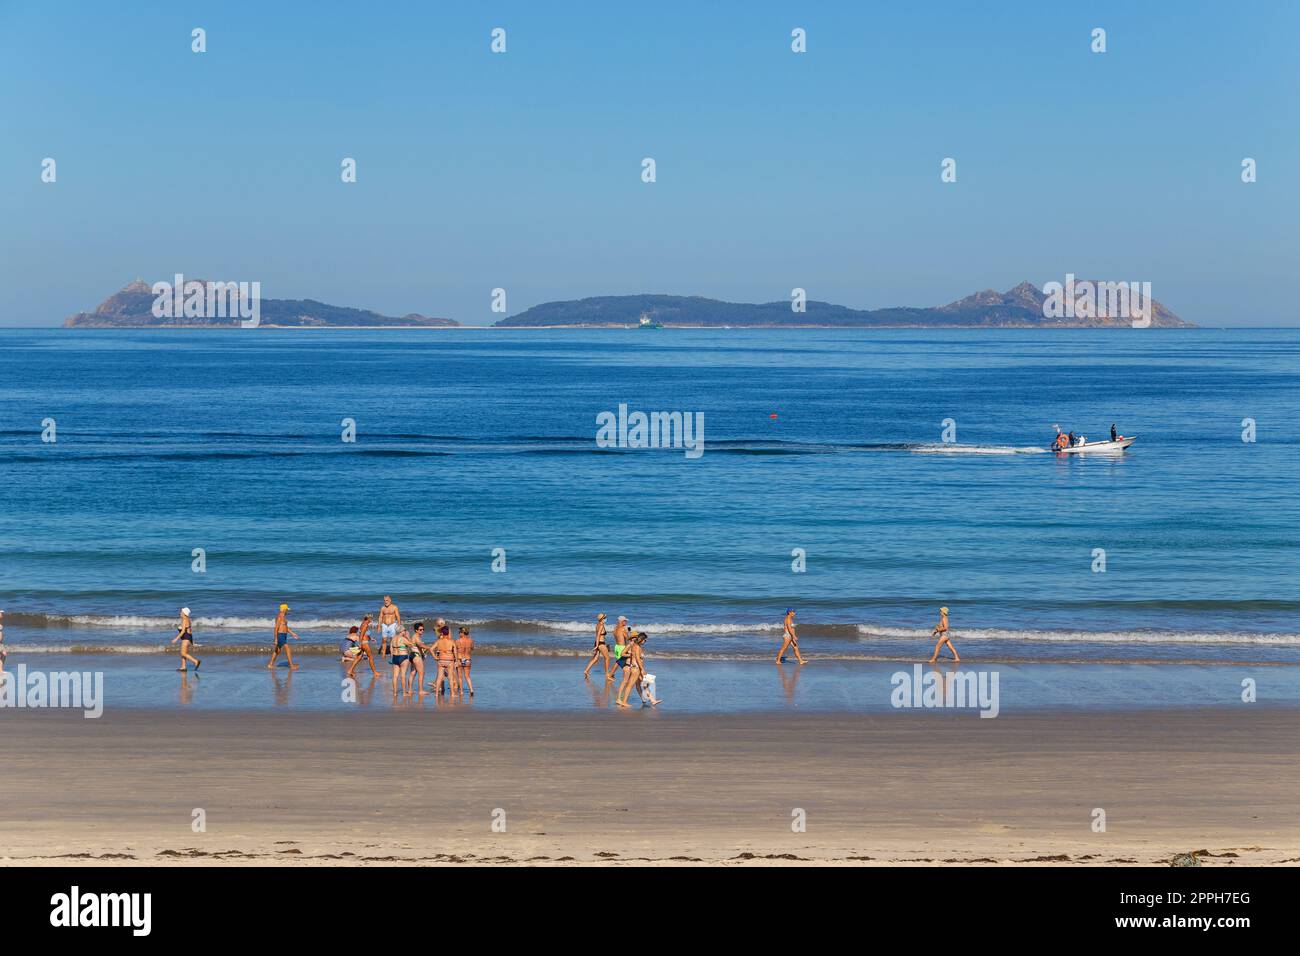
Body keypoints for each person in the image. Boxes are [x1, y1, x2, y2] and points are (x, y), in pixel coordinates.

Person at [268, 604, 300, 669]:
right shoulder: (279, 616)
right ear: (284, 609)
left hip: (284, 635)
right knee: (287, 648)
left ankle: (270, 664)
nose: (287, 611)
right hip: (280, 634)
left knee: (278, 650)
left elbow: (286, 627)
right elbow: (276, 628)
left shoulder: (283, 616)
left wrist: (293, 634)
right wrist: (276, 639)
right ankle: (291, 666)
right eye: (286, 610)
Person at [170, 606, 201, 672]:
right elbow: (191, 631)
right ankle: (183, 667)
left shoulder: (185, 620)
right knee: (183, 653)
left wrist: (176, 639)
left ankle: (196, 661)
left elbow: (183, 631)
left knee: (183, 653)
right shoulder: (188, 619)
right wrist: (192, 642)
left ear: (184, 613)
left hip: (186, 638)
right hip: (187, 637)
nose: (180, 613)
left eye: (181, 612)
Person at [583, 613, 612, 680]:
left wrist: (596, 644)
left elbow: (598, 635)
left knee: (595, 659)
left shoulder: (598, 624)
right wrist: (597, 646)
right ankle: (607, 675)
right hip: (600, 643)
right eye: (605, 617)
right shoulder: (601, 625)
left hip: (598, 643)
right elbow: (598, 635)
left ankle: (586, 671)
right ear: (602, 619)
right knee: (607, 658)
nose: (606, 618)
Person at [431, 624, 457, 697]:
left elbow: (431, 649)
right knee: (450, 678)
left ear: (442, 633)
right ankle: (452, 694)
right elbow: (455, 652)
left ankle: (436, 694)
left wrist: (435, 657)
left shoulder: (439, 641)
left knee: (439, 677)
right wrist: (457, 660)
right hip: (449, 660)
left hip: (441, 660)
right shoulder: (452, 641)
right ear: (448, 633)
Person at [350, 613, 378, 677]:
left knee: (359, 657)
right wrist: (360, 644)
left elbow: (365, 634)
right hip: (364, 643)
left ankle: (350, 670)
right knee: (370, 657)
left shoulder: (363, 623)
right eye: (371, 618)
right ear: (368, 618)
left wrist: (371, 638)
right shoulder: (365, 625)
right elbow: (361, 635)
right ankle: (375, 672)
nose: (372, 619)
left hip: (363, 642)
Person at [405, 623, 430, 697]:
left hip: (412, 655)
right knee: (421, 673)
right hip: (416, 656)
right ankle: (421, 690)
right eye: (420, 630)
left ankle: (409, 690)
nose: (422, 631)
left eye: (423, 629)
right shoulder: (416, 636)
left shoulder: (415, 636)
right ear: (416, 630)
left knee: (413, 673)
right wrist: (429, 648)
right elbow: (420, 645)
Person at [388, 625, 410, 695]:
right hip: (403, 656)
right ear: (401, 631)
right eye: (404, 630)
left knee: (395, 676)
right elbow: (411, 644)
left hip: (395, 657)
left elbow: (391, 649)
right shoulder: (403, 639)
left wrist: (392, 657)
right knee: (403, 675)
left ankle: (395, 693)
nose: (405, 631)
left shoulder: (393, 639)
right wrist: (408, 637)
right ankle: (404, 692)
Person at [455, 626, 475, 697]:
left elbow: (455, 650)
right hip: (468, 659)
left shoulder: (458, 641)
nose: (459, 634)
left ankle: (461, 691)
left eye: (459, 632)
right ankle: (471, 690)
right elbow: (472, 648)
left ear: (462, 633)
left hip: (460, 659)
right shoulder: (471, 640)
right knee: (467, 676)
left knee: (460, 677)